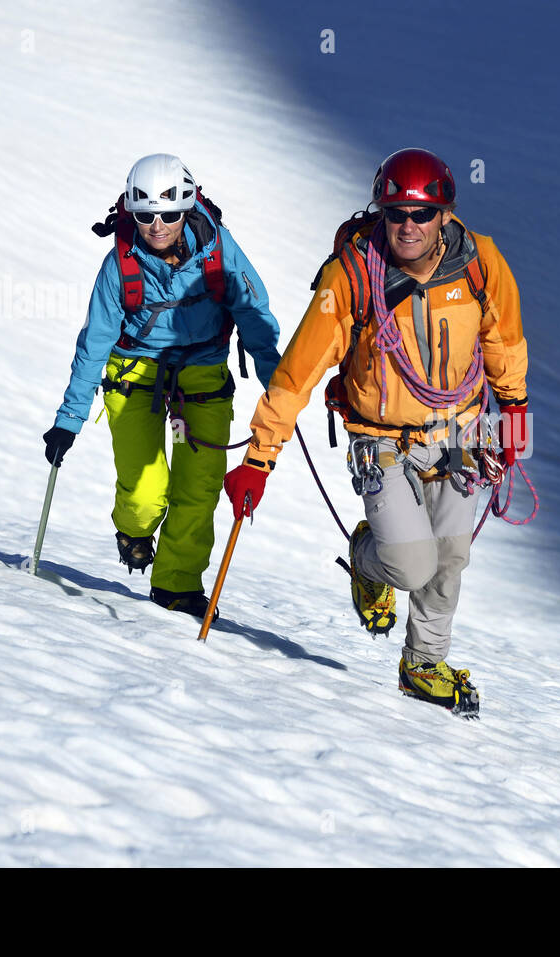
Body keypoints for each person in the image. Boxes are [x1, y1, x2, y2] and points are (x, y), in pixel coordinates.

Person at [223, 148, 530, 713]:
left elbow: (503, 342)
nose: (407, 226)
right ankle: (367, 557)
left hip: (462, 433)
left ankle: (424, 666)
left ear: (444, 214)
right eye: (395, 214)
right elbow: (299, 371)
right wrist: (258, 458)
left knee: (450, 556)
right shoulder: (351, 276)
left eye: (421, 214)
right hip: (381, 439)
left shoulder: (480, 263)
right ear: (381, 211)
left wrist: (513, 417)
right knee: (412, 566)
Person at [44, 153, 281, 619]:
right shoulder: (120, 264)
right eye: (147, 215)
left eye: (169, 215)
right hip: (135, 378)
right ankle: (133, 530)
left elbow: (255, 316)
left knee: (201, 487)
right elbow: (95, 341)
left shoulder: (220, 250)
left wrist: (281, 390)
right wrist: (68, 421)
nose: (157, 226)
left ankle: (176, 585)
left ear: (187, 209)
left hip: (204, 377)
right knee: (145, 492)